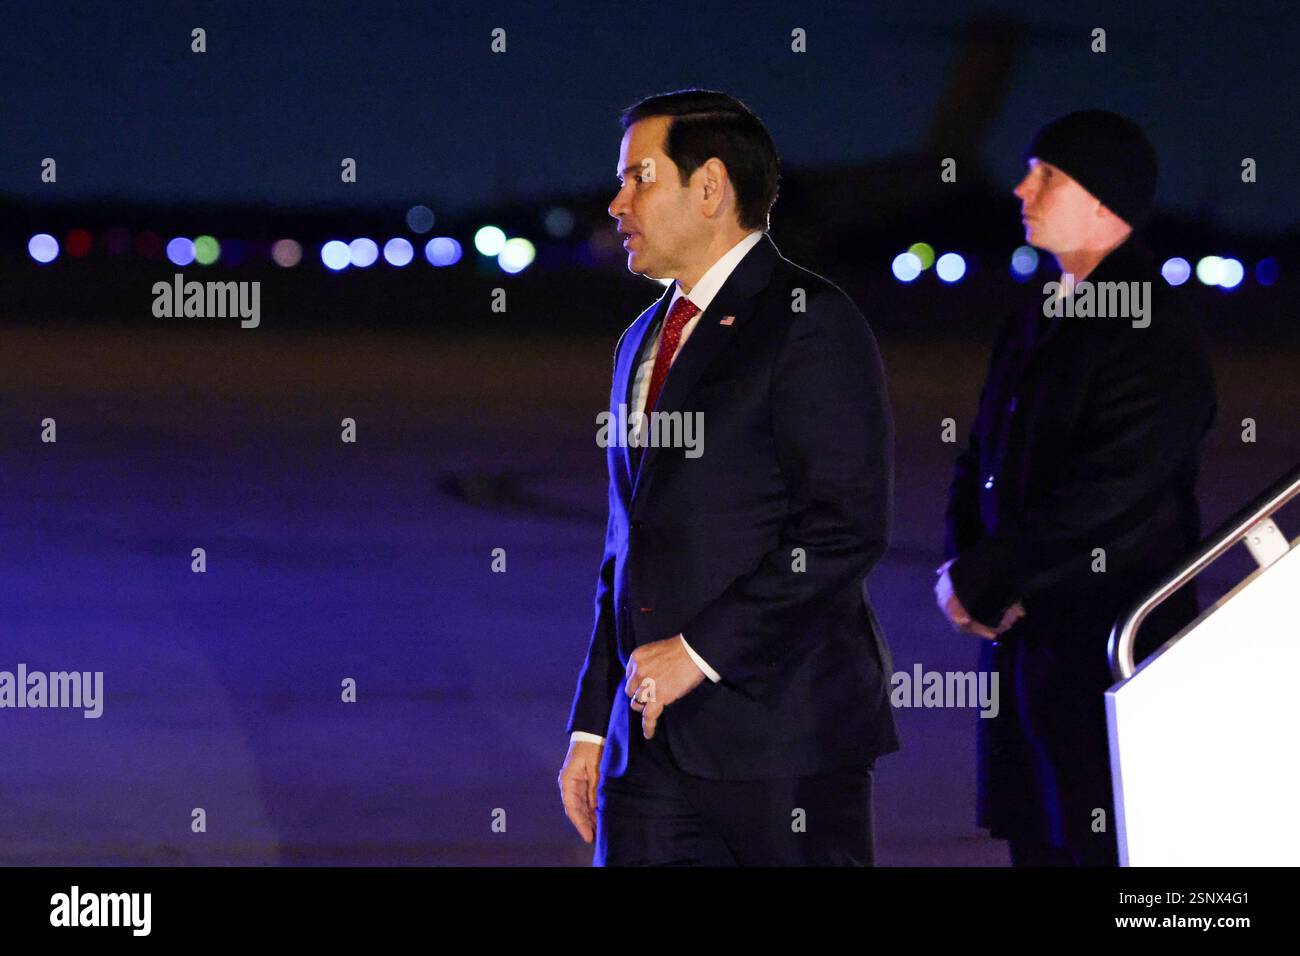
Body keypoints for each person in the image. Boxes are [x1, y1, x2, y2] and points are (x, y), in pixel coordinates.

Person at [558, 89, 899, 866]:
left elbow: (844, 528)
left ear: (710, 187)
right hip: (643, 747)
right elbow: (627, 549)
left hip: (781, 747)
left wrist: (700, 652)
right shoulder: (642, 339)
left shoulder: (810, 320)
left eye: (640, 178)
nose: (617, 203)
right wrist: (591, 722)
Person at [937, 110, 1217, 866]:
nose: (1024, 189)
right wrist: (968, 568)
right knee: (1037, 835)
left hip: (1101, 641)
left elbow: (1113, 490)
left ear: (1104, 199)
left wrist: (998, 576)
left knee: (1097, 839)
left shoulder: (1153, 325)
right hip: (1026, 637)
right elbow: (980, 458)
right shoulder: (1041, 310)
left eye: (1048, 174)